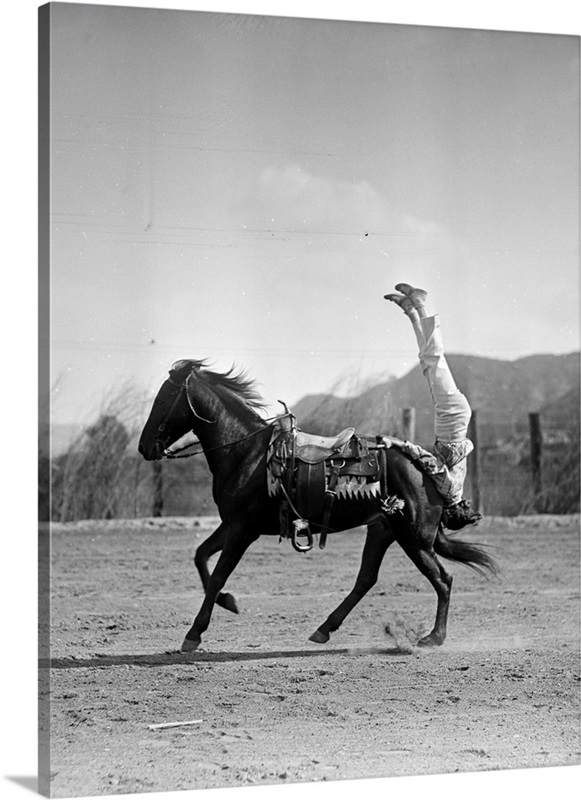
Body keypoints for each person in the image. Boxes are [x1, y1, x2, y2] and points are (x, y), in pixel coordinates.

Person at [383, 282, 481, 529]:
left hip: (452, 420)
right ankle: (419, 303)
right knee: (433, 359)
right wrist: (398, 443)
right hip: (453, 418)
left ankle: (411, 309)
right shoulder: (449, 491)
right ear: (450, 514)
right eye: (445, 522)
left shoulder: (454, 492)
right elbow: (429, 461)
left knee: (427, 362)